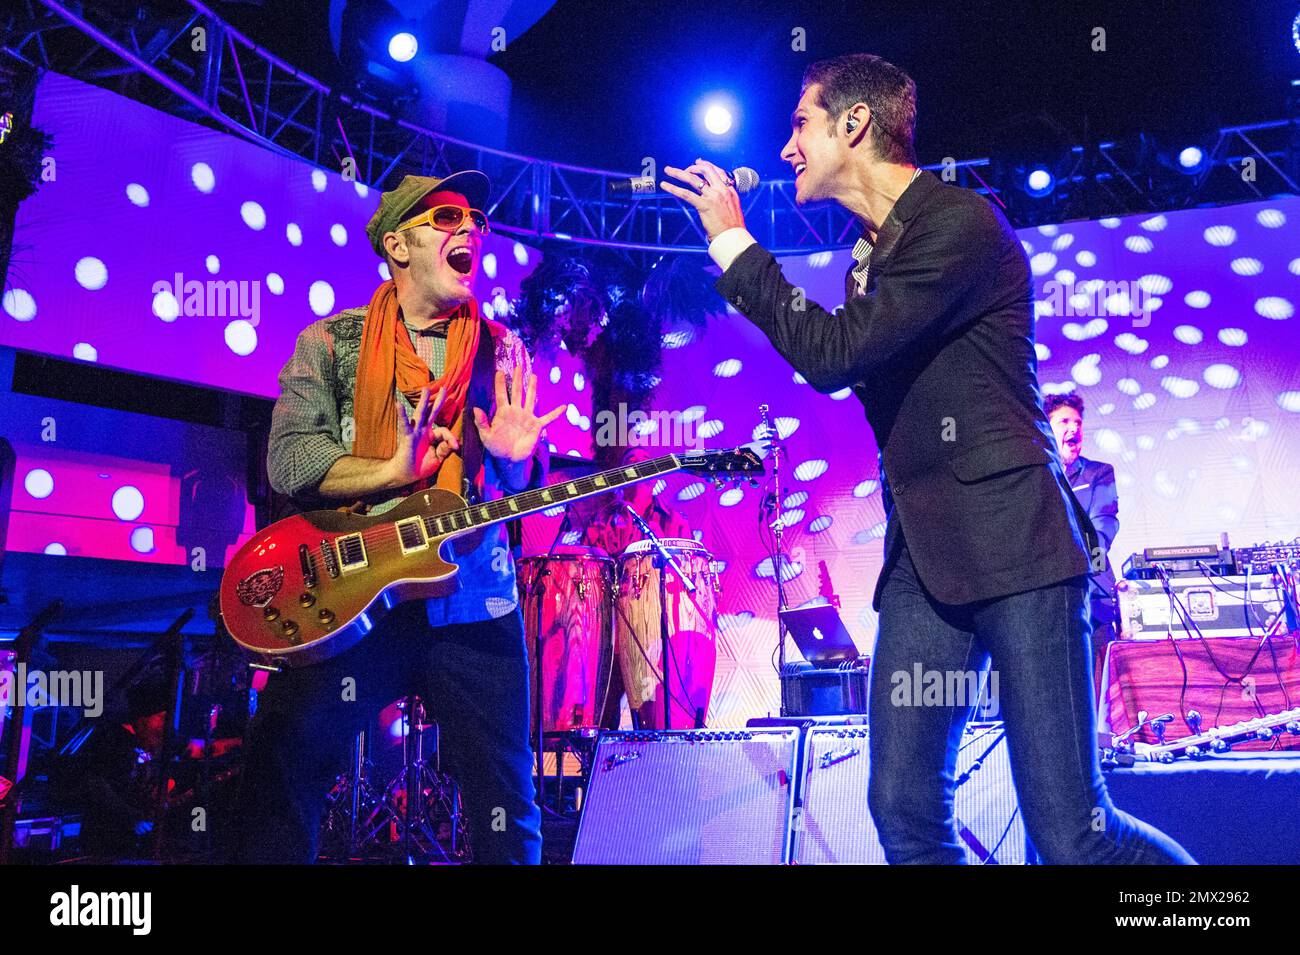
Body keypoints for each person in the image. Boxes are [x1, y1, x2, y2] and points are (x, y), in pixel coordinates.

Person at [661, 53, 1192, 864]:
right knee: (905, 812)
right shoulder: (869, 260)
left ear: (854, 124)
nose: (786, 149)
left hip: (1019, 548)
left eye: (800, 124)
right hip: (924, 559)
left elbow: (835, 354)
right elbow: (842, 353)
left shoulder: (959, 224)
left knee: (1073, 835)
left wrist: (736, 243)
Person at [235, 171, 563, 864]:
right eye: (447, 216)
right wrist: (390, 472)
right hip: (358, 601)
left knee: (507, 801)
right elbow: (289, 461)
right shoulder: (330, 344)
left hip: (475, 604)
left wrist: (512, 461)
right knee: (281, 759)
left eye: (475, 217)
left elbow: (517, 489)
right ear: (397, 244)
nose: (470, 228)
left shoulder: (501, 348)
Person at [1045, 392, 1120, 701]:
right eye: (1064, 421)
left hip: (1093, 593)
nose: (1073, 428)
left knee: (1098, 689)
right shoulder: (1035, 475)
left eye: (1078, 422)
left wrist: (1077, 559)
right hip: (1046, 594)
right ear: (1046, 428)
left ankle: (1104, 746)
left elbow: (1104, 524)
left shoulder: (1098, 473)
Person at [581, 446, 693, 555]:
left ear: (655, 479)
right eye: (631, 462)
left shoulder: (676, 520)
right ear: (619, 479)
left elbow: (688, 565)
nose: (639, 467)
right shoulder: (601, 521)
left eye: (645, 462)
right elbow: (590, 566)